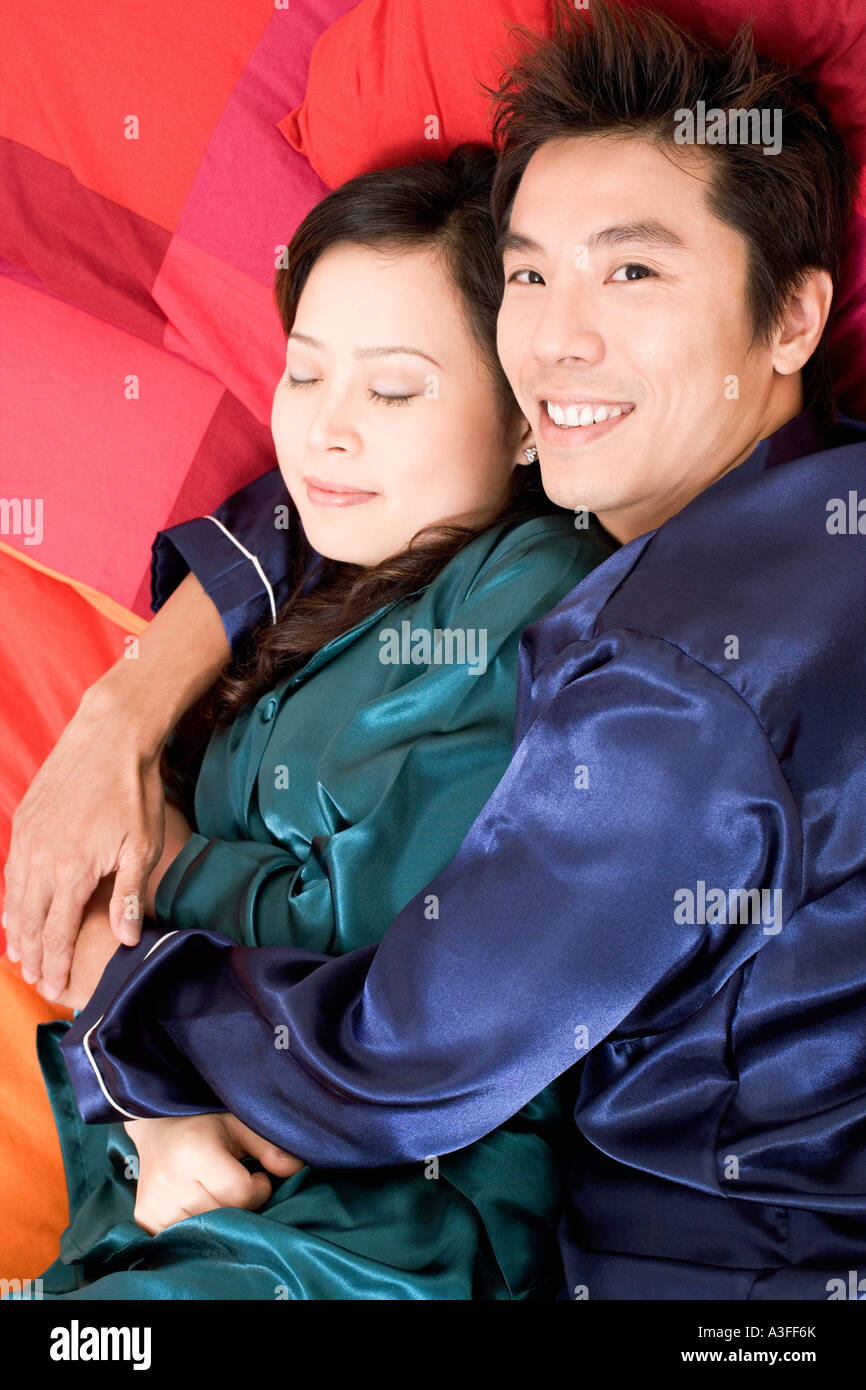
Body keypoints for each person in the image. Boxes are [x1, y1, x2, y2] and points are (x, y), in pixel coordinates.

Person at [7, 0, 866, 1299]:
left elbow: (391, 1058)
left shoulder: (675, 678)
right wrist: (128, 701)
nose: (557, 337)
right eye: (528, 275)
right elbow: (370, 469)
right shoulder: (799, 510)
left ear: (792, 317)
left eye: (630, 271)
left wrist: (124, 1017)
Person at [1, 143, 614, 1299]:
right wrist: (160, 1109)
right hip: (180, 1177)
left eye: (390, 389)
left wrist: (170, 862)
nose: (325, 433)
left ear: (530, 416)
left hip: (387, 1208)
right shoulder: (316, 582)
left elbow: (385, 926)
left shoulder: (538, 586)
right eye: (302, 373)